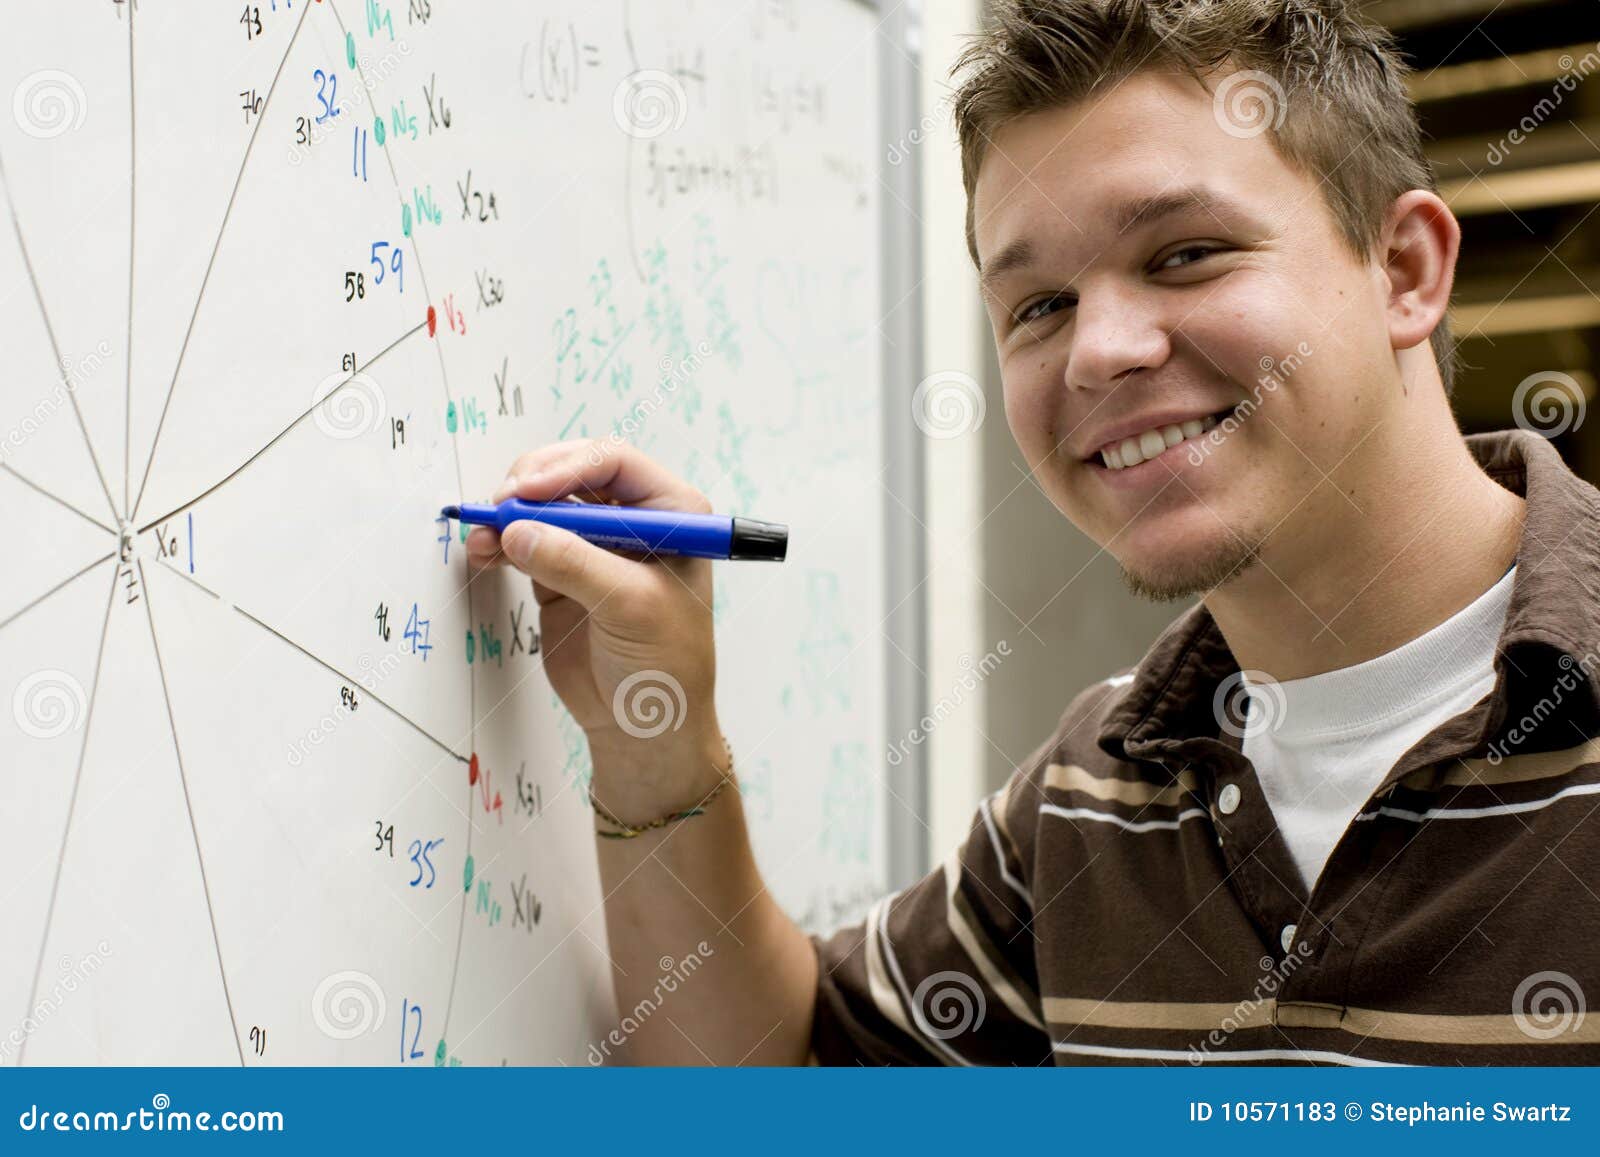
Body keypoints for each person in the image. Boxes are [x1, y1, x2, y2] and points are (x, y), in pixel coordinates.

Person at [467, 0, 1600, 1065]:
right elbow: (780, 1080)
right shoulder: (1083, 799)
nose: (1099, 349)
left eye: (1183, 253)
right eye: (1039, 306)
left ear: (1403, 270)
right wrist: (653, 738)